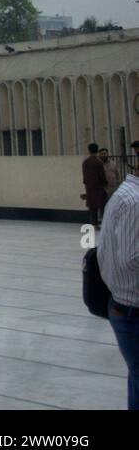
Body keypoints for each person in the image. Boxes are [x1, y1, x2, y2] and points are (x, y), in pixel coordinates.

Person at [97, 166, 139, 410]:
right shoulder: (135, 202)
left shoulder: (125, 193)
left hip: (123, 304)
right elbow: (133, 258)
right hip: (132, 309)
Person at [82, 143, 110, 228]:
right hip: (99, 187)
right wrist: (105, 183)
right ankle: (104, 222)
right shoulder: (98, 162)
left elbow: (85, 176)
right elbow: (102, 175)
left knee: (92, 207)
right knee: (103, 205)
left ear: (89, 150)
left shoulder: (85, 162)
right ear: (97, 150)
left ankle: (94, 224)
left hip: (90, 187)